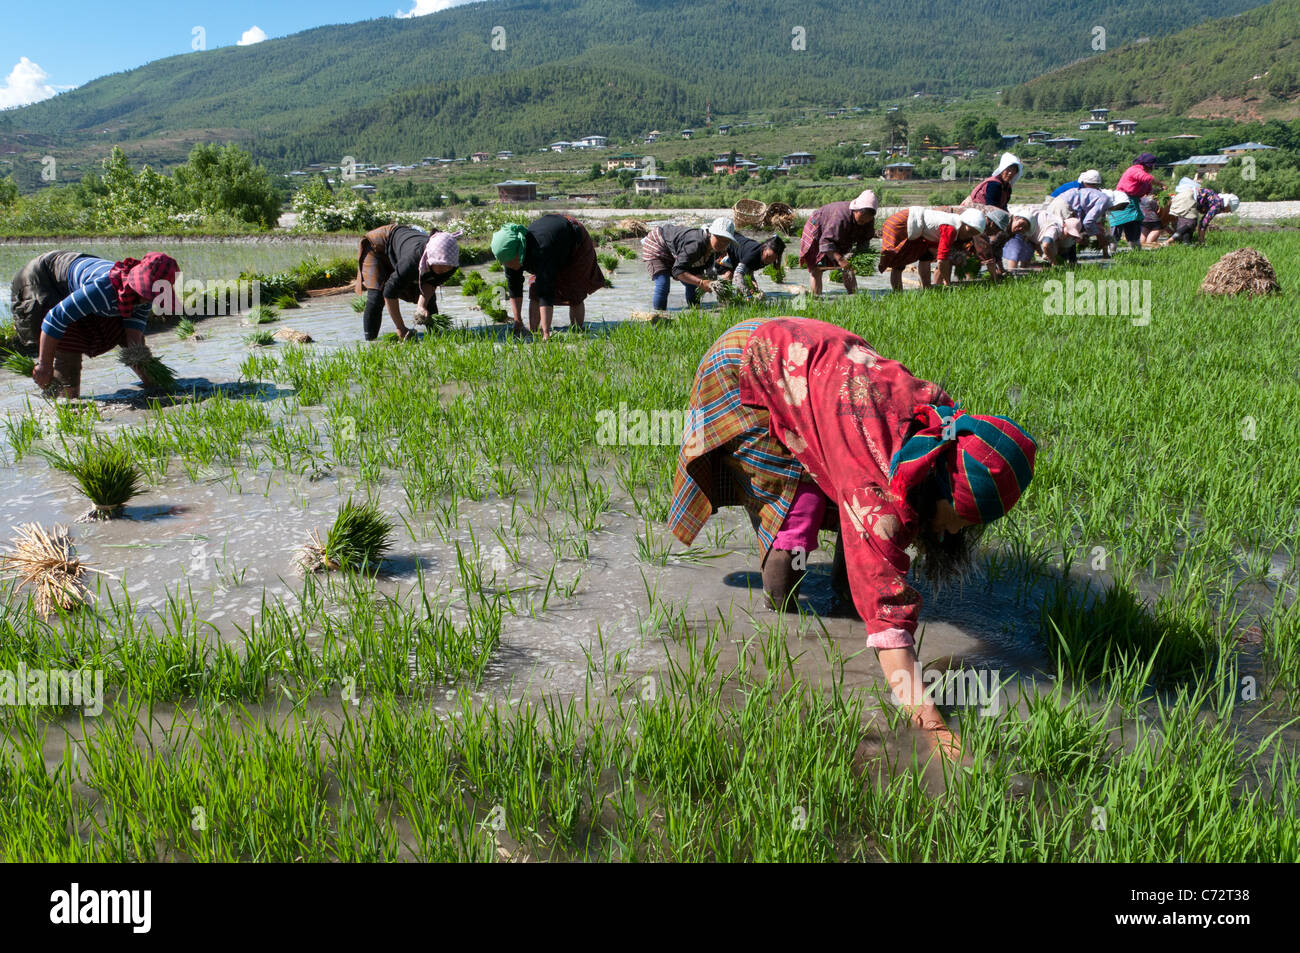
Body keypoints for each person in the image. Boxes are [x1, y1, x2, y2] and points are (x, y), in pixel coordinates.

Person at [669, 316, 1036, 760]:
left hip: (811, 356)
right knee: (797, 511)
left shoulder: (945, 428)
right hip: (747, 365)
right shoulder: (876, 495)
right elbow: (890, 626)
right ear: (936, 487)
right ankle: (780, 606)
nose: (957, 532)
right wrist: (935, 730)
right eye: (958, 518)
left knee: (847, 500)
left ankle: (843, 592)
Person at [11, 251, 177, 399]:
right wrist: (44, 365)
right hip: (43, 279)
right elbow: (54, 319)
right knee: (69, 348)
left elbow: (132, 339)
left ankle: (59, 392)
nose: (146, 298)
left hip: (77, 279)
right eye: (144, 292)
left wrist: (154, 384)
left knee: (123, 335)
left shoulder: (145, 298)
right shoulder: (103, 289)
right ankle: (59, 397)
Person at [492, 214, 605, 340]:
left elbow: (546, 292)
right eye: (503, 263)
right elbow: (514, 287)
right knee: (534, 289)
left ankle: (577, 330)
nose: (506, 265)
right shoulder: (510, 254)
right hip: (552, 239)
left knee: (574, 291)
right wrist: (517, 321)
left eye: (508, 262)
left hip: (574, 241)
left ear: (519, 253)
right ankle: (533, 331)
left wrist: (546, 334)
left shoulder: (540, 250)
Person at [355, 223, 457, 340]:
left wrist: (421, 306)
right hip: (379, 245)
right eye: (439, 265)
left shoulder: (451, 265)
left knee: (429, 300)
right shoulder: (412, 261)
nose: (443, 270)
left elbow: (431, 283)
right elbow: (389, 292)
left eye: (446, 267)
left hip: (402, 251)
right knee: (376, 295)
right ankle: (370, 342)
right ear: (429, 258)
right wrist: (400, 328)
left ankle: (437, 337)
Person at [876, 206, 987, 291]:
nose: (969, 235)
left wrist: (954, 258)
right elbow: (942, 260)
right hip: (902, 223)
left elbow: (940, 254)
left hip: (919, 231)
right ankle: (898, 295)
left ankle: (927, 289)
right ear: (964, 222)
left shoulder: (956, 228)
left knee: (926, 256)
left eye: (973, 233)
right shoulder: (951, 228)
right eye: (969, 231)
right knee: (898, 262)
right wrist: (948, 283)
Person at [641, 217, 736, 310]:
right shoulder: (695, 244)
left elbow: (707, 270)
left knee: (693, 283)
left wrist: (716, 285)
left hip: (676, 251)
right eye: (719, 238)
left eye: (726, 241)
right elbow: (677, 271)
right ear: (711, 234)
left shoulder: (716, 249)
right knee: (663, 283)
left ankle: (695, 309)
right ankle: (659, 316)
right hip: (658, 244)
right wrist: (701, 283)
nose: (722, 243)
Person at [798, 190, 877, 297]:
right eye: (862, 220)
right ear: (856, 210)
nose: (863, 223)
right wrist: (840, 260)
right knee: (817, 268)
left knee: (848, 268)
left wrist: (858, 255)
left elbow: (865, 239)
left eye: (866, 221)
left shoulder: (868, 219)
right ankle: (816, 299)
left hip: (841, 235)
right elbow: (825, 242)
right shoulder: (840, 217)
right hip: (819, 228)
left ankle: (853, 297)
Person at [1109, 153, 1165, 251]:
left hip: (1133, 204)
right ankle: (1111, 253)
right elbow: (1148, 178)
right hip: (1122, 201)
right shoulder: (1135, 170)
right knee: (1116, 230)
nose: (1152, 168)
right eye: (1152, 165)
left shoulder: (1143, 176)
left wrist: (1160, 192)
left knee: (1134, 231)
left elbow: (1148, 190)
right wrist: (1161, 184)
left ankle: (1136, 253)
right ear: (1147, 164)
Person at [1048, 181, 1114, 262]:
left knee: (1067, 240)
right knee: (1065, 240)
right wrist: (1100, 238)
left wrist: (1082, 236)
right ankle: (1062, 268)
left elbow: (1085, 221)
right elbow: (1088, 221)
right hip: (1064, 206)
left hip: (1060, 202)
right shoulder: (1104, 200)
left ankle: (1070, 265)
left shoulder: (1097, 197)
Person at [1002, 210, 1082, 268]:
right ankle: (1011, 274)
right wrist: (1053, 262)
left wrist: (1043, 254)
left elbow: (1038, 236)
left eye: (1072, 236)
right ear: (1065, 225)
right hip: (1022, 227)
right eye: (1069, 233)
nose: (1069, 236)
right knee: (1015, 255)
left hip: (1027, 230)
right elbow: (1046, 245)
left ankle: (1020, 277)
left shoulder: (1056, 220)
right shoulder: (1055, 228)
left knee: (1025, 259)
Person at [1164, 187, 1239, 244]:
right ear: (1227, 205)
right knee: (1191, 222)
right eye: (1229, 210)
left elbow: (1203, 221)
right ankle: (1168, 241)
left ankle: (1185, 244)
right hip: (1188, 198)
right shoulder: (1218, 205)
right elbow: (1204, 222)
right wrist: (1202, 240)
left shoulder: (1217, 200)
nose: (1228, 212)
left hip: (1187, 196)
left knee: (1189, 225)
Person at [717, 234, 786, 295]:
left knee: (744, 285)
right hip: (724, 245)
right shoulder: (753, 254)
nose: (768, 260)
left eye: (772, 259)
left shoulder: (766, 256)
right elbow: (737, 274)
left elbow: (750, 265)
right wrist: (747, 294)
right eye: (768, 256)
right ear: (764, 247)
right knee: (728, 275)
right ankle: (724, 301)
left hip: (736, 253)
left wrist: (752, 280)